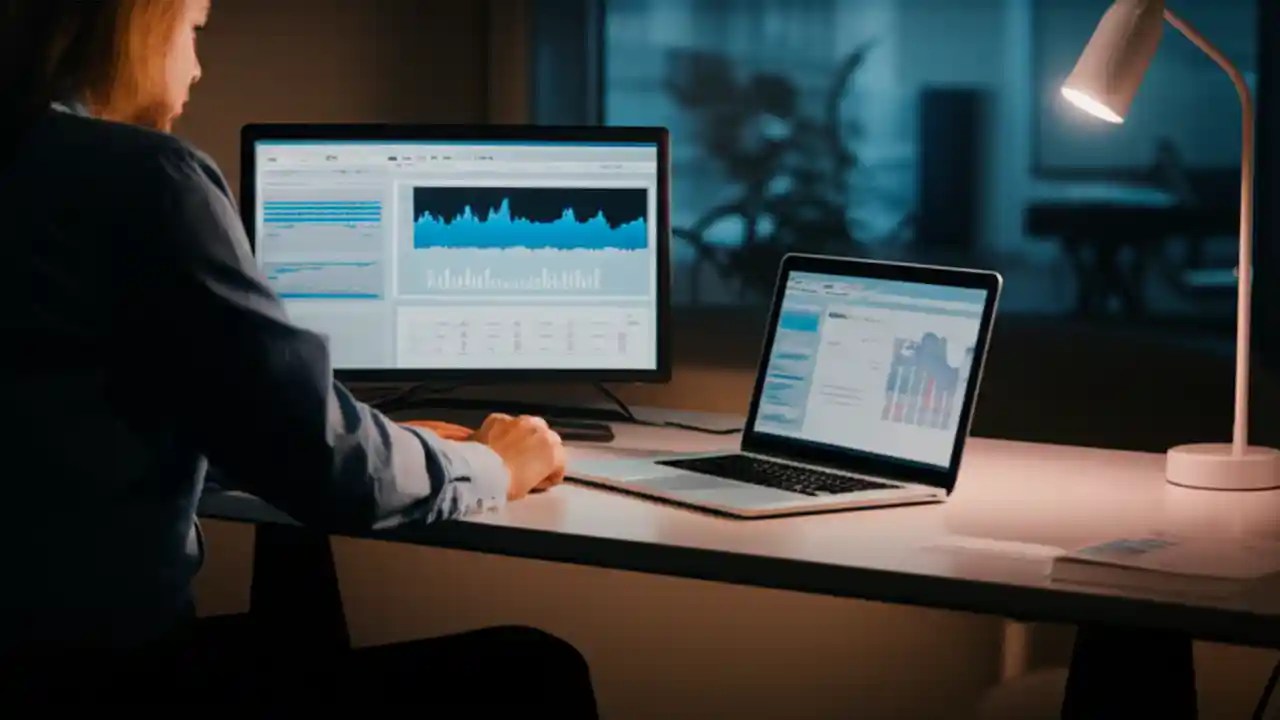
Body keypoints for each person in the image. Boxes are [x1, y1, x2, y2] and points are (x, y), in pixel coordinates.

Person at [0, 0, 597, 711]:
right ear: (140, 24)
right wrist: (497, 464)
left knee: (295, 616)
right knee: (535, 669)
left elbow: (63, 427)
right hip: (108, 676)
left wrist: (385, 438)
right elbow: (334, 471)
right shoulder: (148, 181)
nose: (197, 66)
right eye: (194, 31)